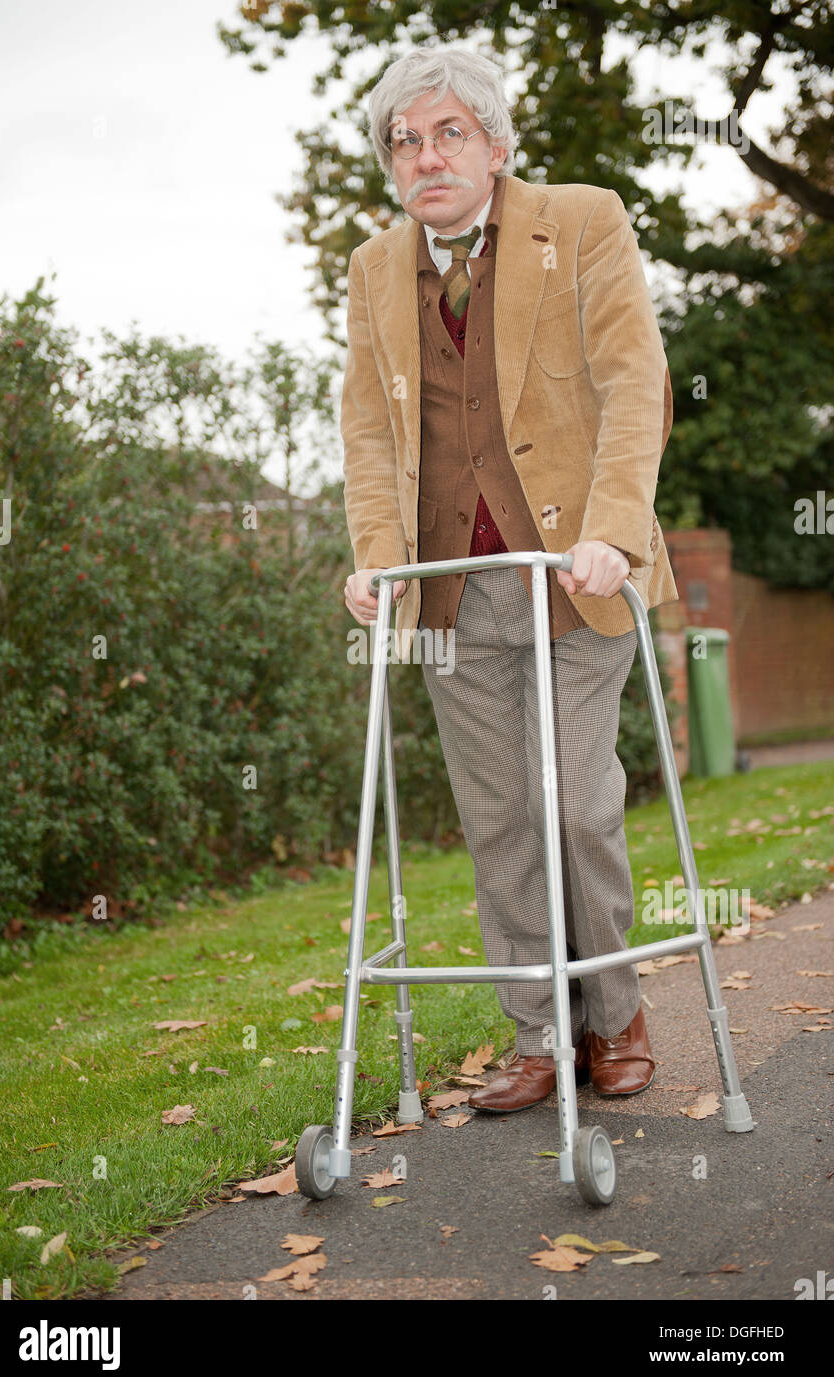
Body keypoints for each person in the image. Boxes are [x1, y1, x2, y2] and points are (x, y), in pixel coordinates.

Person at [341, 46, 679, 1112]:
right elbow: (364, 426)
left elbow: (636, 381)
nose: (426, 156)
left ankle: (613, 1010)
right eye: (406, 141)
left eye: (448, 134)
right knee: (498, 820)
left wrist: (614, 534)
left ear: (495, 142)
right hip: (450, 590)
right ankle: (538, 1030)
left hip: (572, 573)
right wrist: (377, 560)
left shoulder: (581, 220)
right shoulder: (371, 270)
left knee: (574, 806)